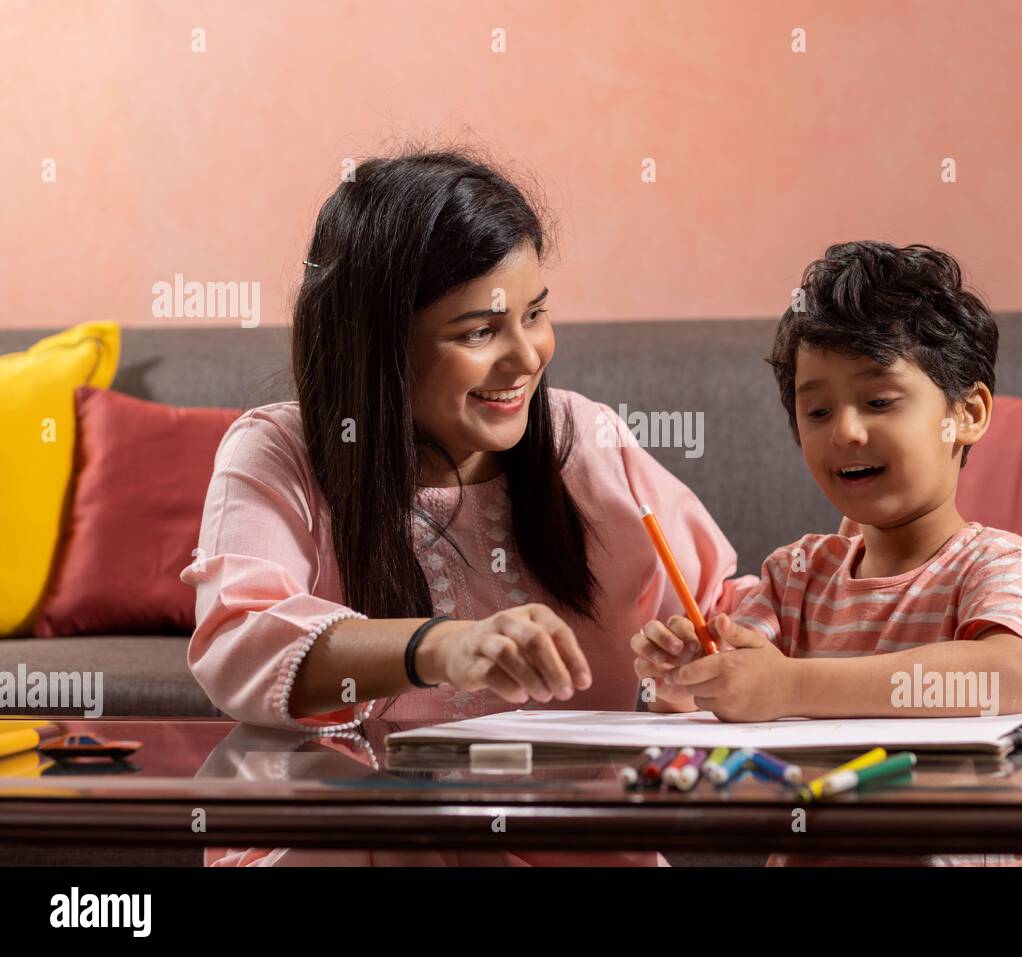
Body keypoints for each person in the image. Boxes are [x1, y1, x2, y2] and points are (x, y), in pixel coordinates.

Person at [181, 146, 755, 866]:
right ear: (379, 344)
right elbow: (241, 638)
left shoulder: (590, 441)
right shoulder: (280, 450)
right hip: (354, 841)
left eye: (536, 314)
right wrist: (441, 646)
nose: (527, 356)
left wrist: (718, 656)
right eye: (481, 331)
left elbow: (725, 606)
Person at [630, 240, 1022, 866]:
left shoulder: (995, 562)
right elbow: (736, 677)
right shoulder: (794, 574)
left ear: (966, 414)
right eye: (817, 409)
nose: (847, 431)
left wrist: (791, 685)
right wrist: (687, 676)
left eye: (880, 401)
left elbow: (1007, 676)